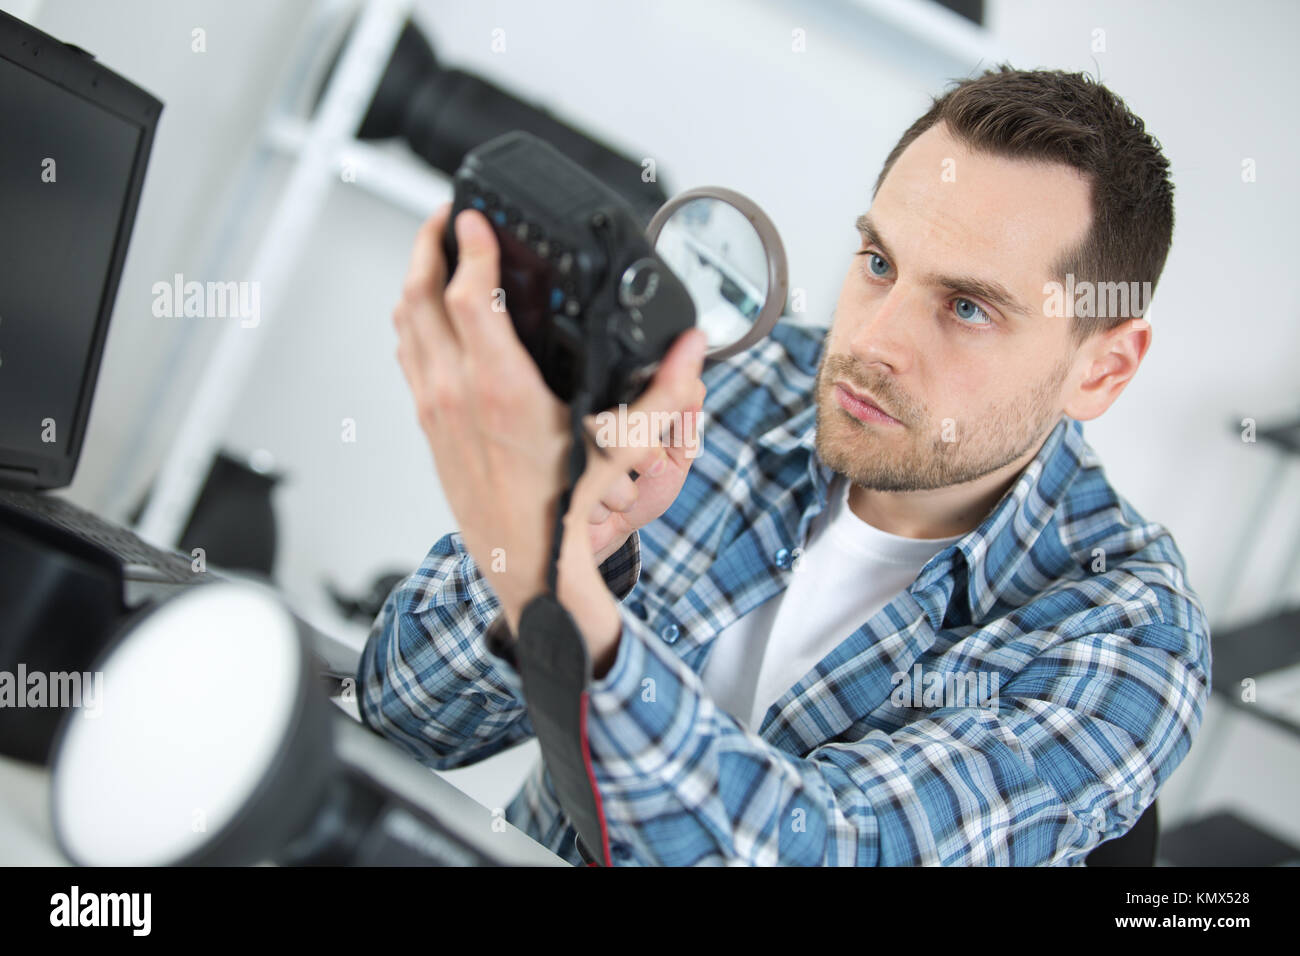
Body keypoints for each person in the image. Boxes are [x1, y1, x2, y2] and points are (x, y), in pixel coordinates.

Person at [359, 65, 1210, 866]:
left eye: (967, 307)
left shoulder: (1130, 637)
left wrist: (559, 592)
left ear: (1103, 368)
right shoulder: (727, 389)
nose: (872, 346)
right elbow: (406, 718)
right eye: (878, 264)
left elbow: (819, 850)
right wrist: (562, 538)